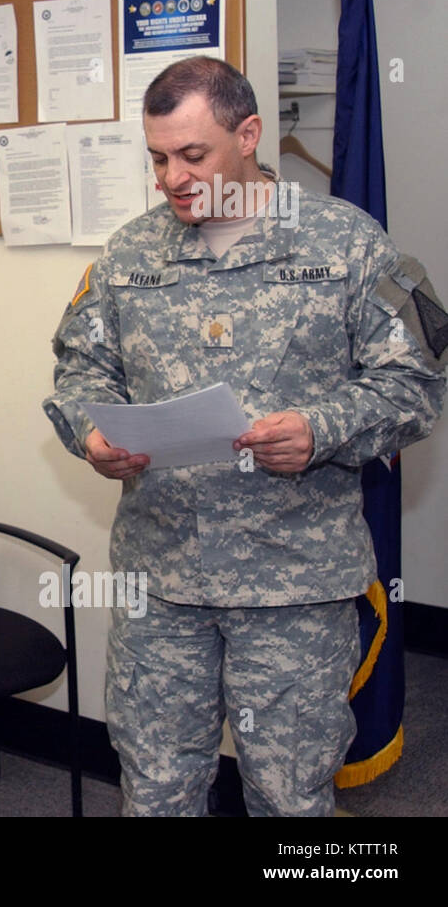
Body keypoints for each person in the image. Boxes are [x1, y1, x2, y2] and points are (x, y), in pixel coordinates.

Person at [43, 56, 445, 816]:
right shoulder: (131, 255)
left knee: (289, 798)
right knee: (157, 791)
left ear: (250, 134)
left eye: (193, 155)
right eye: (158, 158)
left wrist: (322, 429)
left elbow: (417, 384)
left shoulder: (347, 243)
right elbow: (80, 374)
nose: (171, 177)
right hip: (159, 585)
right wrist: (92, 436)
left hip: (292, 584)